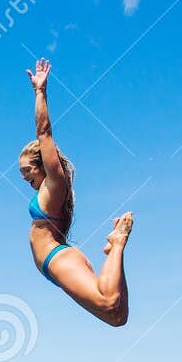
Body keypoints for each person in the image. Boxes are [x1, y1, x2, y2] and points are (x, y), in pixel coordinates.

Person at [21, 58, 133, 327]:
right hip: (56, 262)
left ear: (43, 165)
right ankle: (114, 250)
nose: (24, 178)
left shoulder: (55, 183)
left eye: (27, 171)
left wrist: (40, 92)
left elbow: (44, 133)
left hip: (57, 258)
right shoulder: (51, 190)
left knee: (108, 304)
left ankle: (117, 242)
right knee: (117, 317)